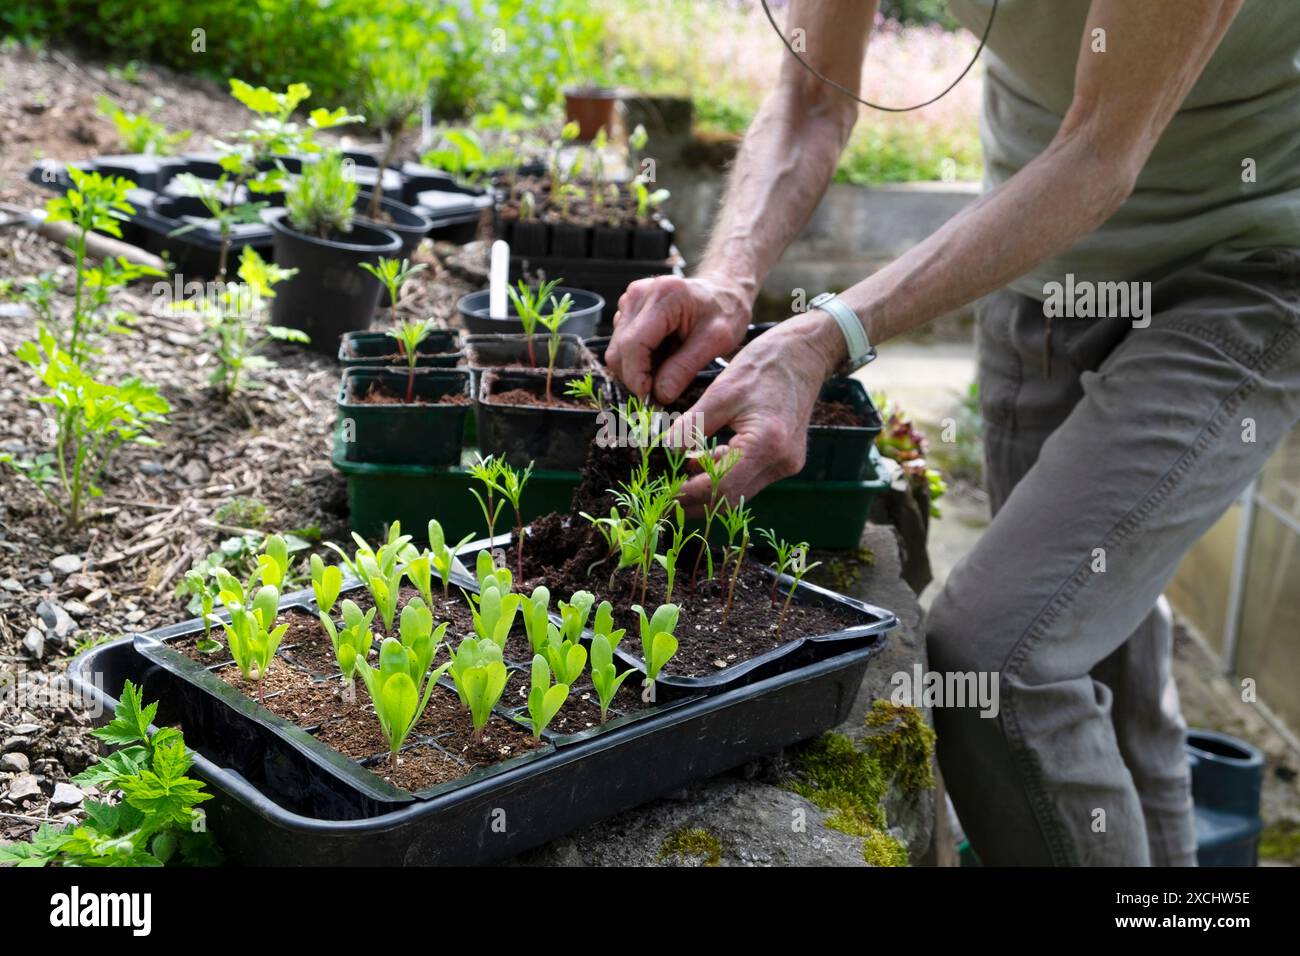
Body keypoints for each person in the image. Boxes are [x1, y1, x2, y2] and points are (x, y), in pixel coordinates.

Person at [604, 0, 1300, 865]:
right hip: (1038, 256)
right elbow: (813, 99)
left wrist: (826, 335)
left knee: (1003, 658)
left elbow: (1103, 151)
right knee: (1095, 633)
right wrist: (726, 281)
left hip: (1248, 261)